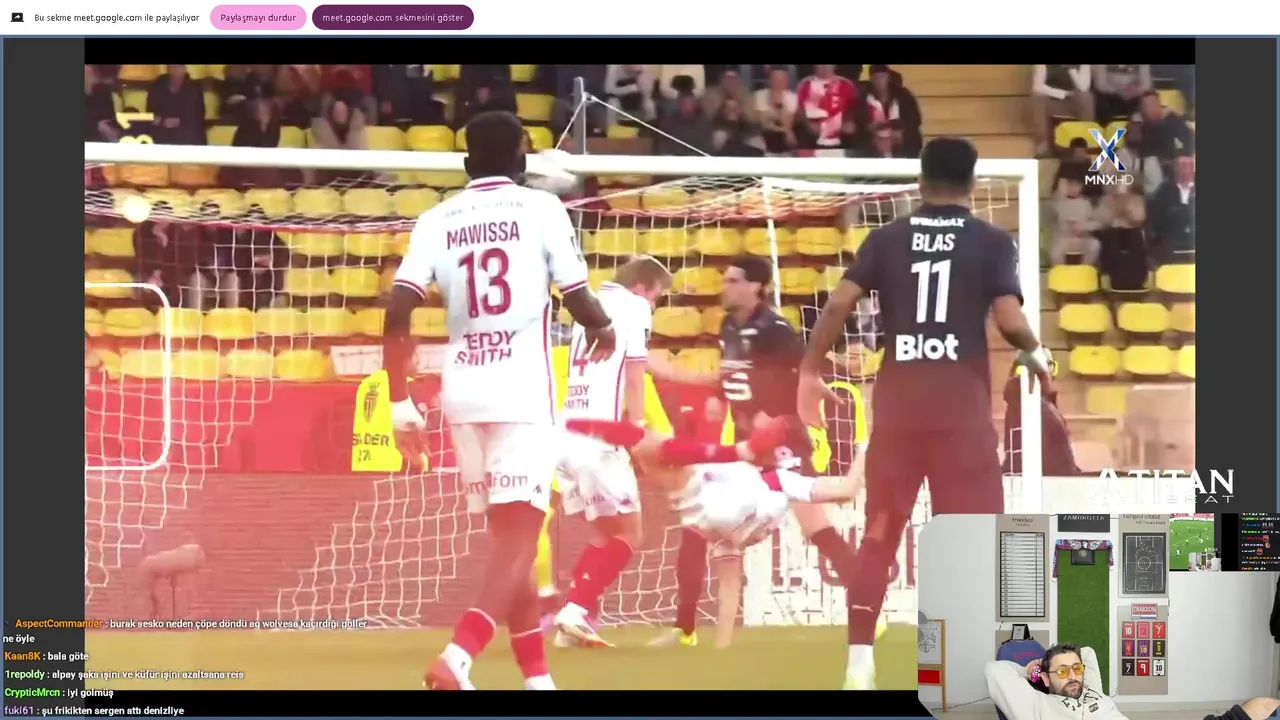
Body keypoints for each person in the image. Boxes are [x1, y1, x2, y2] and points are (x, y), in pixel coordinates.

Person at [798, 137, 1055, 689]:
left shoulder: (887, 238)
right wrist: (1036, 351)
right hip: (960, 415)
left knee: (879, 534)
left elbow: (839, 303)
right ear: (973, 183)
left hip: (898, 411)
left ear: (920, 181)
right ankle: (965, 664)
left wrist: (810, 370)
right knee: (973, 540)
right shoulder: (991, 241)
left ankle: (858, 665)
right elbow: (1010, 321)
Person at [384, 110, 617, 692]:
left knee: (510, 545)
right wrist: (604, 328)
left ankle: (537, 679)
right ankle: (459, 657)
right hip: (520, 390)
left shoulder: (436, 219)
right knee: (521, 537)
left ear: (467, 164)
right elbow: (578, 295)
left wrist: (397, 400)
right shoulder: (542, 208)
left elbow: (398, 307)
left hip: (463, 390)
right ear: (521, 159)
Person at [639, 257, 865, 670]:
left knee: (817, 528)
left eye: (733, 280)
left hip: (782, 444)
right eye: (725, 279)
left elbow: (806, 374)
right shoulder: (728, 327)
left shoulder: (775, 330)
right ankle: (684, 627)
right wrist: (717, 398)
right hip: (745, 449)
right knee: (696, 526)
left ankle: (870, 606)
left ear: (756, 287)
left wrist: (778, 415)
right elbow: (732, 376)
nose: (724, 286)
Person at [550, 257, 673, 648]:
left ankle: (576, 623)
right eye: (657, 297)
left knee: (604, 534)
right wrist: (635, 429)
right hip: (601, 438)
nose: (654, 305)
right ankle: (575, 610)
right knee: (629, 533)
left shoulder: (589, 303)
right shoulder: (634, 307)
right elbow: (636, 374)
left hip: (568, 434)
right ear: (642, 288)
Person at [988, 643, 1280, 720]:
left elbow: (1087, 652)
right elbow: (994, 669)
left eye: (1076, 669)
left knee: (1261, 705)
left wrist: (1063, 666)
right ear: (1046, 677)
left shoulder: (1091, 690)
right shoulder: (1036, 705)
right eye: (1062, 671)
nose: (1073, 675)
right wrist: (1031, 669)